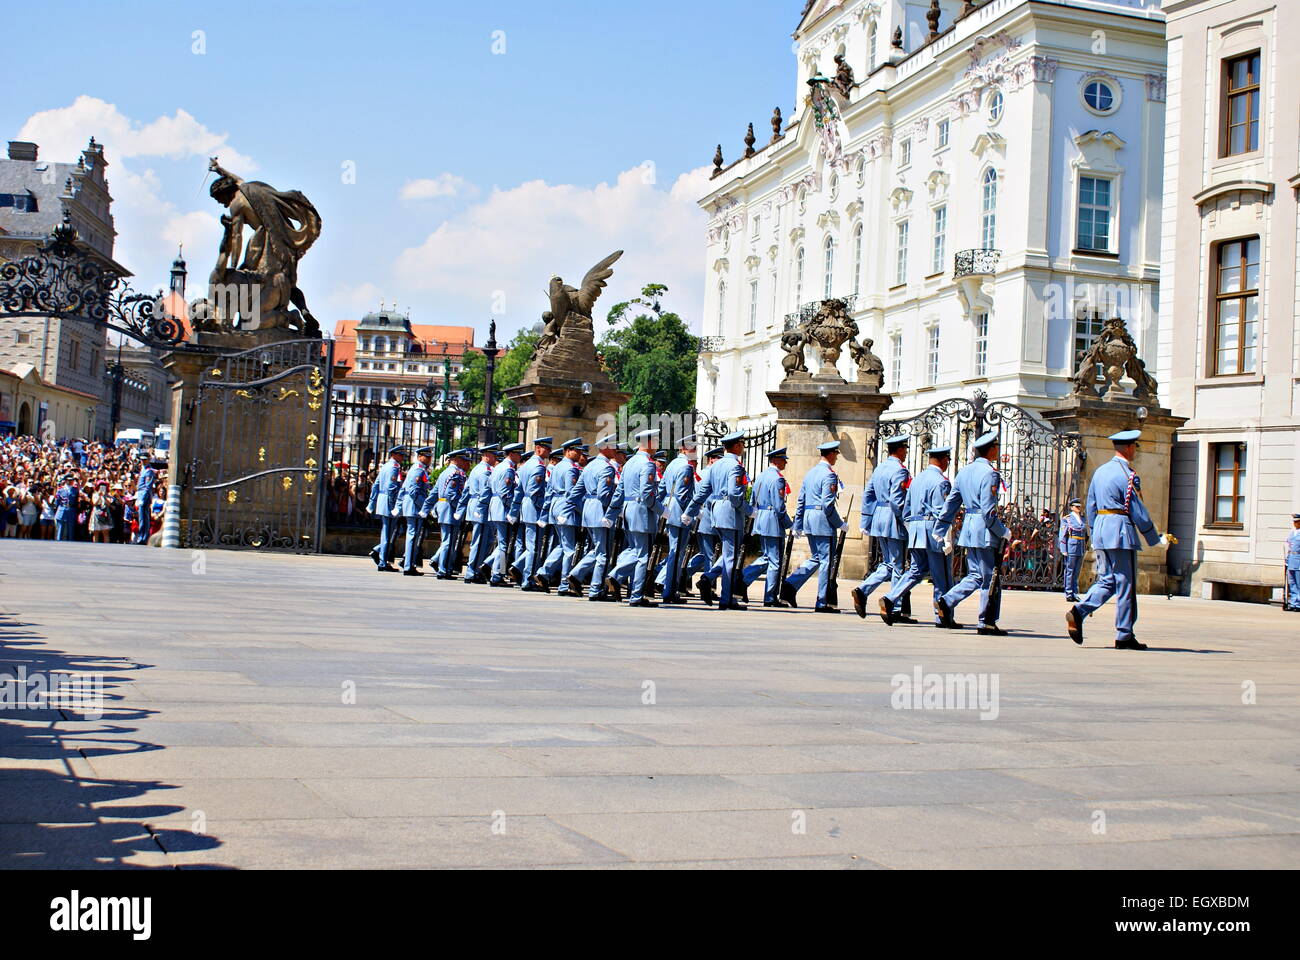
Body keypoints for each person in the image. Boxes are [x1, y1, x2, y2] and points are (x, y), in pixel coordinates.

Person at [1065, 430, 1170, 650]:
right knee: (1126, 584)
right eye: (1135, 447)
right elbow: (1137, 511)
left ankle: (1079, 611)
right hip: (1120, 533)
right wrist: (1154, 538)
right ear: (1130, 448)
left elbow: (1091, 506)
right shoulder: (1128, 475)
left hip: (1102, 531)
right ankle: (1124, 634)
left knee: (1108, 580)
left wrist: (1094, 533)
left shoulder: (1100, 472)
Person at [934, 430, 1009, 635]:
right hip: (984, 530)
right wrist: (1003, 531)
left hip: (969, 528)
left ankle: (946, 600)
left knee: (976, 575)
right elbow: (989, 510)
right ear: (992, 450)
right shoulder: (990, 473)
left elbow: (951, 503)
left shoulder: (964, 472)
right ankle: (986, 621)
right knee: (989, 578)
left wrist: (940, 527)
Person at [879, 446, 957, 627]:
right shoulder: (941, 482)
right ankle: (943, 616)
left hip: (915, 531)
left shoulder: (916, 480)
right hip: (933, 531)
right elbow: (941, 512)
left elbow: (905, 510)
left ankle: (891, 598)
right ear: (944, 459)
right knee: (942, 576)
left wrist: (912, 528)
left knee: (916, 571)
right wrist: (944, 535)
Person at [686, 431, 749, 611]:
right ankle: (726, 599)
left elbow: (702, 492)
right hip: (731, 513)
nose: (742, 447)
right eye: (742, 444)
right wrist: (750, 511)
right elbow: (734, 495)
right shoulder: (735, 466)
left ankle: (708, 578)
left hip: (715, 513)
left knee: (729, 554)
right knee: (730, 557)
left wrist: (690, 512)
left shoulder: (715, 465)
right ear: (736, 446)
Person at [852, 435, 911, 619]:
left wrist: (867, 520)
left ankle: (863, 590)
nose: (907, 452)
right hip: (893, 520)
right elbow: (896, 501)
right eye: (905, 449)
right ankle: (894, 607)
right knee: (898, 565)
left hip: (879, 517)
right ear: (900, 450)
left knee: (888, 563)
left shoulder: (880, 468)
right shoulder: (900, 471)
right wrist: (906, 521)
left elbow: (868, 494)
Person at [783, 441, 846, 612]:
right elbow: (827, 504)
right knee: (826, 560)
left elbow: (802, 500)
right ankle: (822, 600)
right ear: (831, 454)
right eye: (836, 454)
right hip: (822, 521)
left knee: (817, 557)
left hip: (810, 519)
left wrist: (799, 523)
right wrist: (840, 524)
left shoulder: (810, 473)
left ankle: (791, 583)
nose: (837, 458)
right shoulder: (829, 475)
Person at [608, 429, 661, 607]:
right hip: (642, 512)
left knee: (634, 550)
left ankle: (617, 577)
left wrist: (612, 513)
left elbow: (619, 492)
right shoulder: (648, 464)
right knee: (642, 556)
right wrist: (661, 510)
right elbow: (647, 494)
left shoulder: (630, 463)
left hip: (629, 510)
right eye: (656, 440)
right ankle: (635, 595)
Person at [570, 435, 622, 601]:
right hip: (601, 513)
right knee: (603, 554)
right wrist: (614, 510)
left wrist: (584, 507)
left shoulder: (590, 466)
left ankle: (576, 574)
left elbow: (573, 495)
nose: (615, 449)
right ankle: (596, 589)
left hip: (589, 512)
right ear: (605, 447)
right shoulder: (607, 468)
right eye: (612, 446)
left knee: (598, 549)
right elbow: (604, 495)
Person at [741, 448, 793, 607]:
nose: (785, 462)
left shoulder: (761, 476)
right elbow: (779, 507)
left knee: (767, 557)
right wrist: (790, 524)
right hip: (772, 522)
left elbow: (752, 502)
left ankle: (742, 579)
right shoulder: (778, 479)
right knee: (775, 561)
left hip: (761, 520)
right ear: (776, 460)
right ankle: (770, 597)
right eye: (783, 460)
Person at [535, 438, 585, 594]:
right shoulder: (570, 469)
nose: (579, 454)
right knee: (569, 549)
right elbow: (572, 494)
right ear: (568, 451)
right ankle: (564, 584)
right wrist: (582, 512)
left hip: (557, 507)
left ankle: (544, 572)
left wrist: (546, 512)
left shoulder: (557, 467)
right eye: (576, 450)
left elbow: (549, 492)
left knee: (562, 545)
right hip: (566, 508)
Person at [657, 436, 700, 604]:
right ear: (683, 449)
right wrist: (691, 513)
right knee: (677, 553)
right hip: (679, 512)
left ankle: (668, 588)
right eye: (692, 449)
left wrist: (662, 510)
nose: (694, 452)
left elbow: (661, 489)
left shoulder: (671, 465)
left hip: (670, 509)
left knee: (675, 552)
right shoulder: (686, 467)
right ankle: (669, 591)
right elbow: (683, 496)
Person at [514, 438, 554, 590]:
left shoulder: (526, 465)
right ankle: (528, 579)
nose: (549, 452)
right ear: (538, 448)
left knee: (530, 545)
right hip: (534, 510)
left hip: (526, 508)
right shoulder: (538, 466)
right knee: (533, 548)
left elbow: (519, 490)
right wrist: (542, 509)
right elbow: (534, 492)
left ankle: (521, 571)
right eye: (547, 449)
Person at [430, 448, 471, 579]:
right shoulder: (456, 473)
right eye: (463, 459)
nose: (465, 462)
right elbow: (452, 494)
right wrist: (459, 509)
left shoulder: (444, 472)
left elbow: (435, 491)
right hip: (450, 509)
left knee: (447, 540)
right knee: (449, 541)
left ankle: (443, 567)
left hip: (443, 507)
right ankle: (443, 570)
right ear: (457, 459)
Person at [462, 445, 500, 583]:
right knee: (480, 542)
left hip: (475, 505)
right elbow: (485, 493)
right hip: (481, 507)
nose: (495, 458)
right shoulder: (485, 471)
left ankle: (475, 570)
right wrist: (482, 509)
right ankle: (473, 572)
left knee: (480, 540)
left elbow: (466, 490)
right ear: (487, 455)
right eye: (494, 455)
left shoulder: (477, 469)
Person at [488, 442, 524, 586]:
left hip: (495, 507)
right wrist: (514, 508)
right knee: (503, 545)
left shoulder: (498, 467)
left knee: (501, 543)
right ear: (512, 454)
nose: (520, 456)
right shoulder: (508, 469)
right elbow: (505, 494)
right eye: (518, 453)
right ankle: (497, 575)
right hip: (502, 509)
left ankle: (495, 572)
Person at [395, 446, 434, 577]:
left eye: (430, 457)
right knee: (412, 536)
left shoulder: (419, 469)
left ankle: (409, 564)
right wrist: (425, 507)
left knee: (413, 535)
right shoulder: (418, 470)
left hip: (413, 506)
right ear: (420, 457)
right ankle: (408, 566)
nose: (429, 459)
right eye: (427, 457)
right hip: (414, 507)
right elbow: (413, 491)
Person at [367, 446, 405, 572]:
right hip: (389, 502)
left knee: (387, 532)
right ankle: (382, 562)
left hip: (382, 501)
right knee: (388, 534)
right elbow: (392, 488)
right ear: (394, 454)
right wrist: (395, 506)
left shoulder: (384, 467)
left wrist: (372, 503)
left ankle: (378, 552)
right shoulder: (394, 467)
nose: (403, 457)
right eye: (401, 455)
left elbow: (376, 485)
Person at [1058, 498, 1088, 602]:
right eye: (1076, 506)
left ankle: (1075, 592)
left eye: (1079, 506)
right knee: (1070, 570)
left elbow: (1085, 534)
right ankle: (1069, 593)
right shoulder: (1067, 519)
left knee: (1077, 571)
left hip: (1080, 547)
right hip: (1071, 545)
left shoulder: (1083, 519)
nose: (1078, 508)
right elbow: (1062, 535)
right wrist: (1063, 549)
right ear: (1071, 507)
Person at [133, 458, 159, 544]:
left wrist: (143, 498)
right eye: (142, 460)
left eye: (145, 460)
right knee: (142, 518)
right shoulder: (143, 469)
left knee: (144, 518)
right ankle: (142, 537)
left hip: (144, 495)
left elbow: (147, 486)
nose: (143, 461)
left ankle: (143, 538)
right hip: (140, 494)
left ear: (148, 460)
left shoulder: (148, 471)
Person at [53, 474, 79, 541]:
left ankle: (71, 541)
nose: (70, 482)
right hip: (62, 509)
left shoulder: (75, 490)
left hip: (71, 510)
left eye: (71, 480)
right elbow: (57, 502)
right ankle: (59, 541)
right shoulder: (60, 490)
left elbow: (76, 501)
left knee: (71, 528)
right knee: (60, 527)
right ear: (65, 481)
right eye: (69, 480)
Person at [1286, 513, 1300, 612]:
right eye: (1294, 522)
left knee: (1299, 583)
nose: (1295, 523)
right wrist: (1287, 559)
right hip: (1291, 559)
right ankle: (1293, 603)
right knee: (1292, 583)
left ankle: (1299, 604)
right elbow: (1288, 546)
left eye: (1297, 522)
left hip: (1299, 560)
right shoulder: (1292, 533)